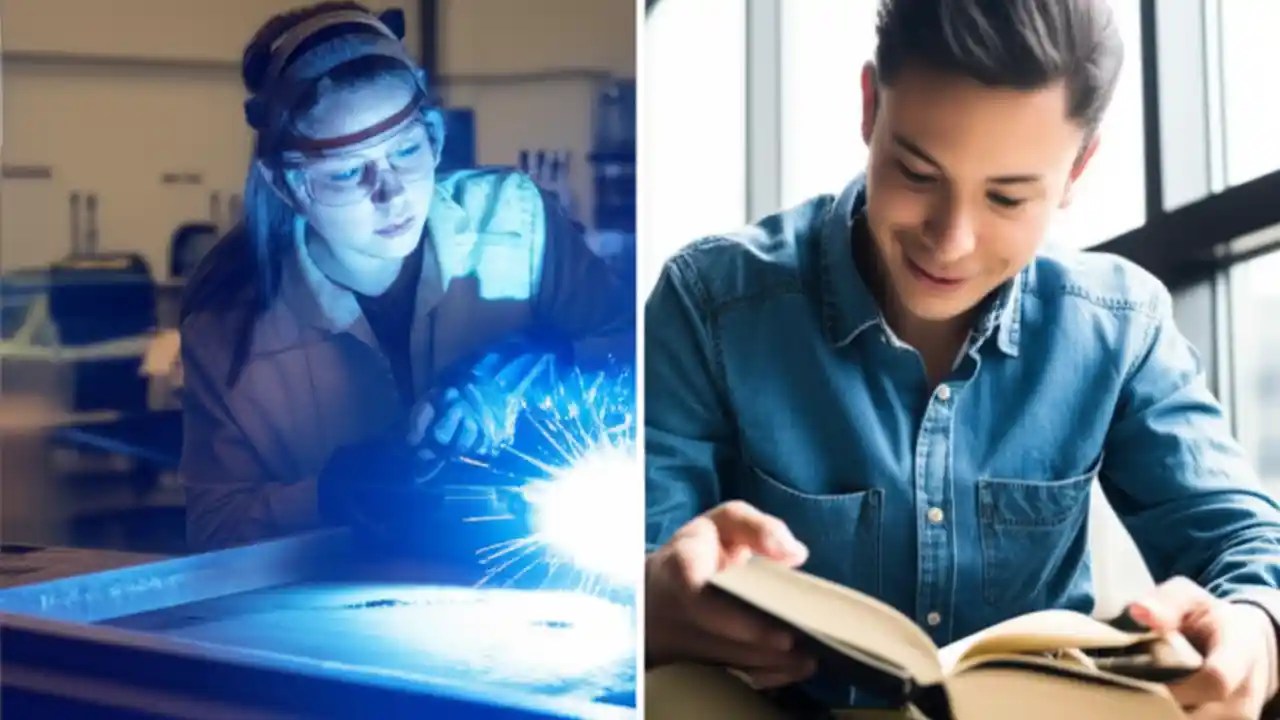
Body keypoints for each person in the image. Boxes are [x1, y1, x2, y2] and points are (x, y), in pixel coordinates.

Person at [645, 0, 1280, 715]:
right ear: (868, 107)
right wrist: (651, 600)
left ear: (1078, 169)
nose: (950, 242)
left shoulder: (1119, 327)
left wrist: (1255, 627)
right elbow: (617, 579)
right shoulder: (710, 303)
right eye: (917, 174)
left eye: (1007, 198)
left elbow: (1244, 542)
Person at [180, 2, 631, 552]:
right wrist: (329, 494)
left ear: (435, 138)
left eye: (407, 152)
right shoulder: (231, 334)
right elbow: (214, 526)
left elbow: (639, 362)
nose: (390, 192)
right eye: (348, 171)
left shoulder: (517, 225)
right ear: (287, 186)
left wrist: (527, 379)